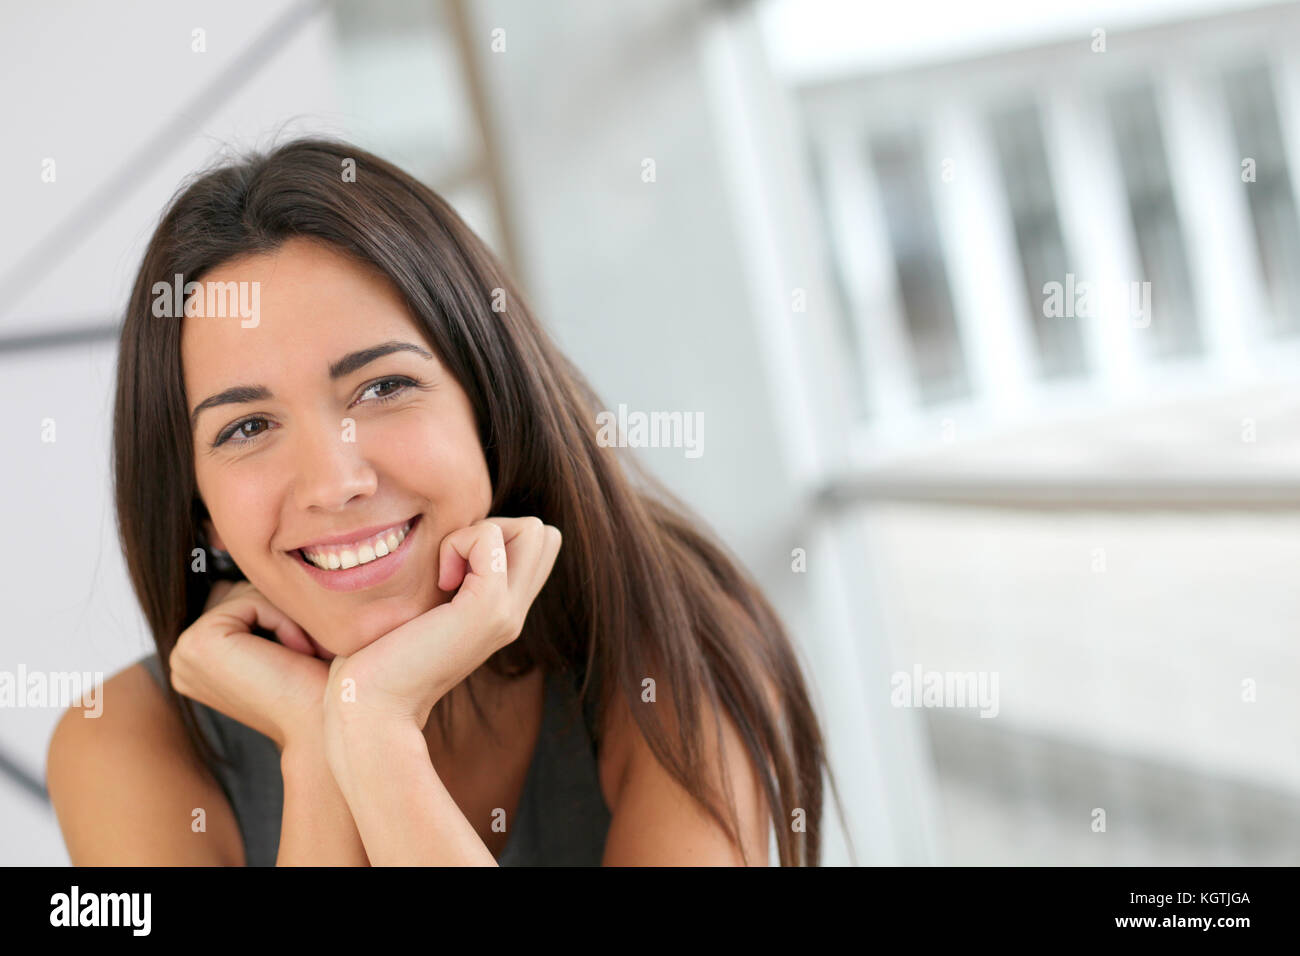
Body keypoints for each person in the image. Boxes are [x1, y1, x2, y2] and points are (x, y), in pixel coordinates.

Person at [46, 137, 846, 865]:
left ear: (490, 405)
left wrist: (376, 734)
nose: (335, 482)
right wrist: (322, 752)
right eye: (249, 426)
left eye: (384, 386)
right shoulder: (121, 741)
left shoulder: (670, 650)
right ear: (199, 508)